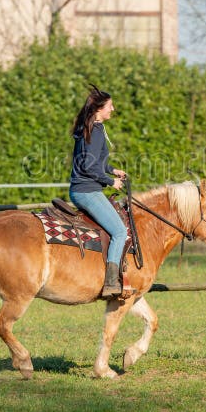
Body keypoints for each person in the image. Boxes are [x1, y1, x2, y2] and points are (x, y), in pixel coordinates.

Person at [68, 85, 128, 297]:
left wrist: (112, 170)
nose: (113, 109)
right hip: (87, 191)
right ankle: (111, 283)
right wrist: (110, 182)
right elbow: (88, 166)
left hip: (83, 189)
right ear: (99, 108)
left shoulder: (91, 127)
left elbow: (94, 161)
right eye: (110, 106)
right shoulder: (95, 130)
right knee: (120, 232)